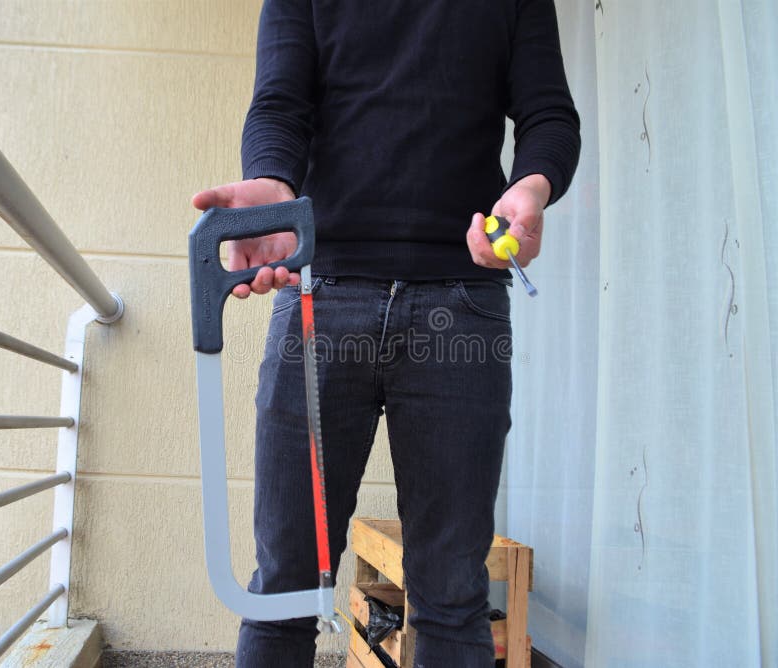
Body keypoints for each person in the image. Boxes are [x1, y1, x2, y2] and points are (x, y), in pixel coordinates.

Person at [192, 1, 580, 666]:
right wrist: (273, 188)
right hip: (322, 294)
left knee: (452, 598)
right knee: (285, 586)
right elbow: (281, 105)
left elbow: (548, 114)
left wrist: (531, 187)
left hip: (459, 304)